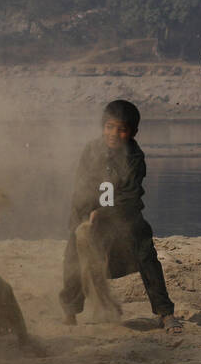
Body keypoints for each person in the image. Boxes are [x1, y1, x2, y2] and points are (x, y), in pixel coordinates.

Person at [58, 99, 182, 333]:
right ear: (102, 126)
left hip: (123, 217)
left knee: (145, 249)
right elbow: (81, 188)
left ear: (133, 132)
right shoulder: (91, 150)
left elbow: (130, 197)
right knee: (74, 250)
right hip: (89, 215)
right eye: (109, 127)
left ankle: (165, 313)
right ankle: (70, 312)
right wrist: (83, 218)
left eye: (121, 129)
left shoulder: (135, 157)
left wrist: (103, 213)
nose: (113, 134)